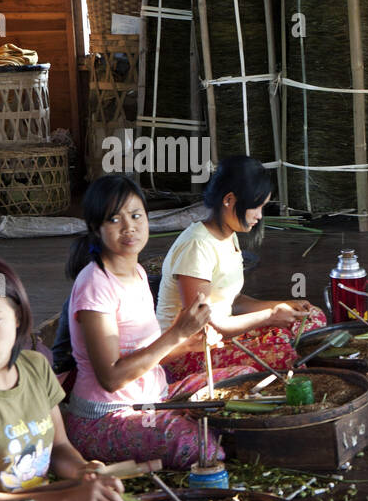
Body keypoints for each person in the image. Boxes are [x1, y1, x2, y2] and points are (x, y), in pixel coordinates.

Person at [62, 175, 253, 469]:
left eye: (136, 215)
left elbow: (143, 351)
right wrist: (176, 334)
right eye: (114, 219)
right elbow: (111, 378)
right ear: (96, 229)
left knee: (245, 381)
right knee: (197, 444)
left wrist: (188, 343)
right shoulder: (95, 284)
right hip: (107, 416)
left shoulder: (137, 272)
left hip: (156, 397)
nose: (129, 227)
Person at [0, 257, 128, 501]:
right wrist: (66, 499)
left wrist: (84, 472)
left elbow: (59, 447)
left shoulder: (35, 367)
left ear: (18, 317)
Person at [156, 155, 326, 379]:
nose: (259, 216)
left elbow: (230, 301)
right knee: (282, 351)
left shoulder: (227, 235)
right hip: (189, 352)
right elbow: (204, 327)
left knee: (312, 318)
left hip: (220, 333)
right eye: (255, 207)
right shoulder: (197, 246)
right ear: (229, 200)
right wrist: (270, 316)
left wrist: (281, 305)